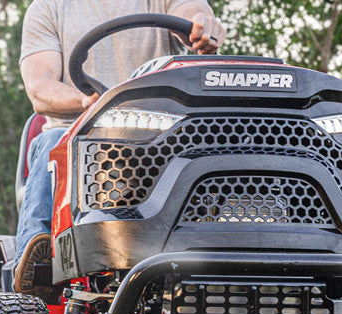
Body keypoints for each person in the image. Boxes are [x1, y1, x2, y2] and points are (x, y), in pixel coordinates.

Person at [14, 0, 225, 298]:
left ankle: (220, 254)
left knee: (208, 145)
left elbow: (189, 13)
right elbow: (41, 88)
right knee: (52, 142)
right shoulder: (49, 7)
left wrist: (202, 25)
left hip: (156, 135)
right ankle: (38, 262)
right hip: (78, 129)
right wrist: (89, 102)